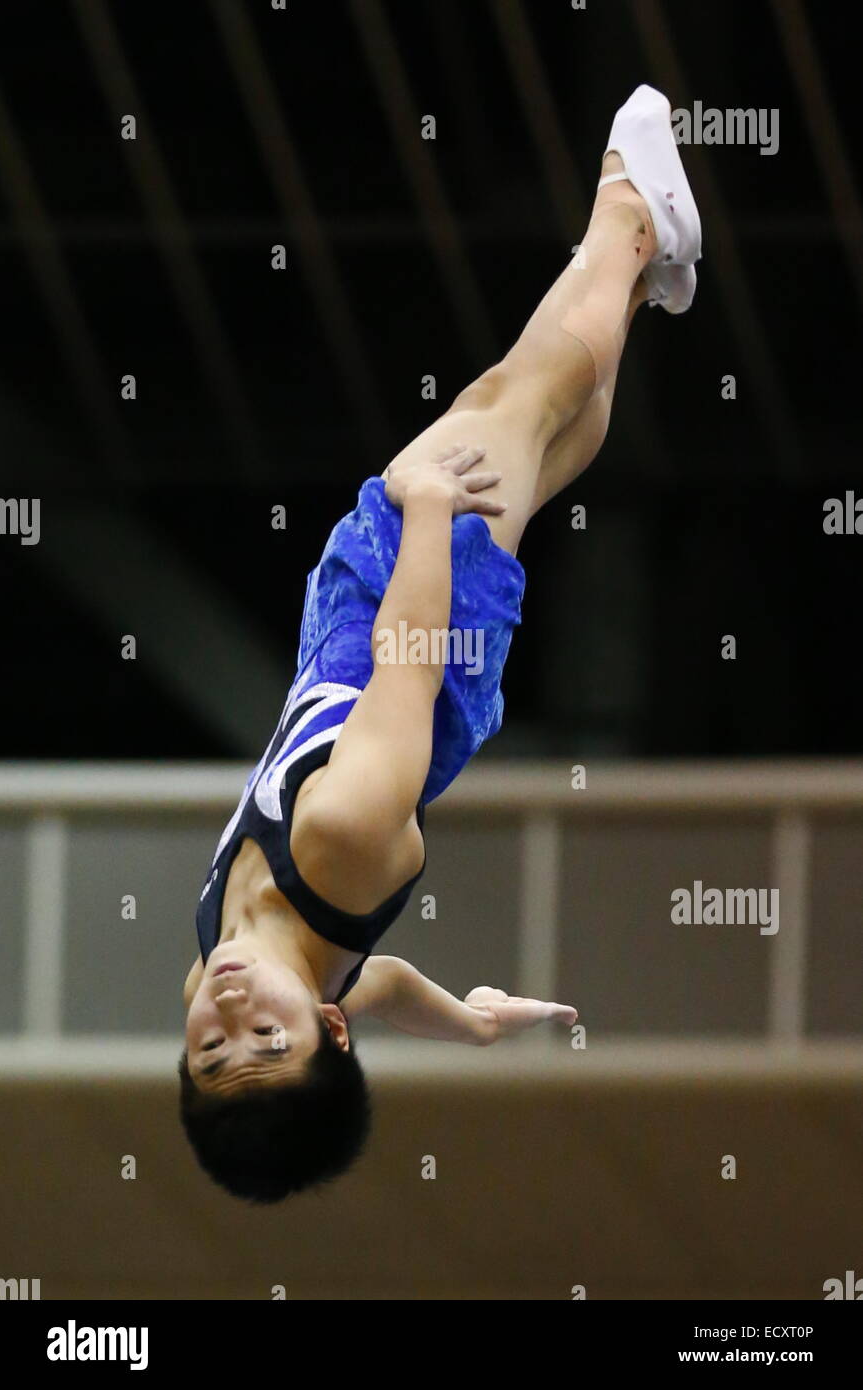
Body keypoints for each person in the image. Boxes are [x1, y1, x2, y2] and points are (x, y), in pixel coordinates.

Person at [179, 85, 702, 1202]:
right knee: (520, 397)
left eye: (209, 1053)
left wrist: (459, 1022)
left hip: (388, 663)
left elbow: (378, 980)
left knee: (544, 441)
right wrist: (421, 509)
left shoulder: (236, 959)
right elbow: (408, 660)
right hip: (407, 622)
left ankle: (643, 286)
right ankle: (634, 213)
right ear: (325, 1033)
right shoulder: (344, 836)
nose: (228, 1019)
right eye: (266, 1044)